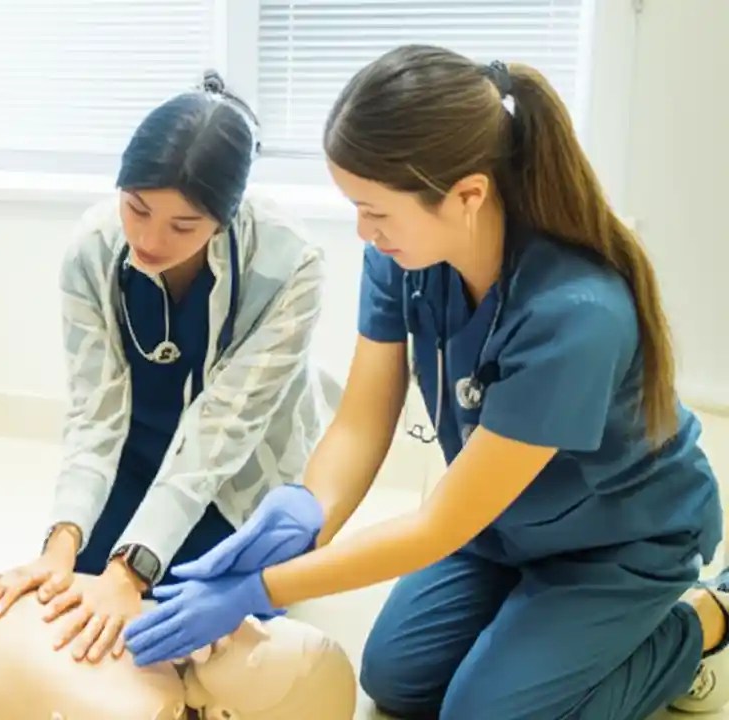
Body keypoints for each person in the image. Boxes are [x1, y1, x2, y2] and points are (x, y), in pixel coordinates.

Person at [121, 45, 726, 720]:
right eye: (354, 205)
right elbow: (360, 421)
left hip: (617, 543)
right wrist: (305, 510)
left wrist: (257, 587)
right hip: (500, 526)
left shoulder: (574, 315)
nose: (362, 230)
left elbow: (438, 523)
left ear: (468, 194)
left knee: (481, 715)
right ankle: (533, 628)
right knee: (397, 679)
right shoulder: (406, 259)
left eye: (376, 211)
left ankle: (703, 621)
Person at [0, 71, 333, 664]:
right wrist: (60, 543)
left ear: (226, 214)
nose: (149, 238)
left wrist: (133, 568)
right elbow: (94, 412)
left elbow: (224, 429)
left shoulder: (291, 263)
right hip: (135, 455)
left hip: (240, 474)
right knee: (74, 592)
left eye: (182, 226)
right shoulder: (92, 248)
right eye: (136, 208)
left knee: (197, 616)